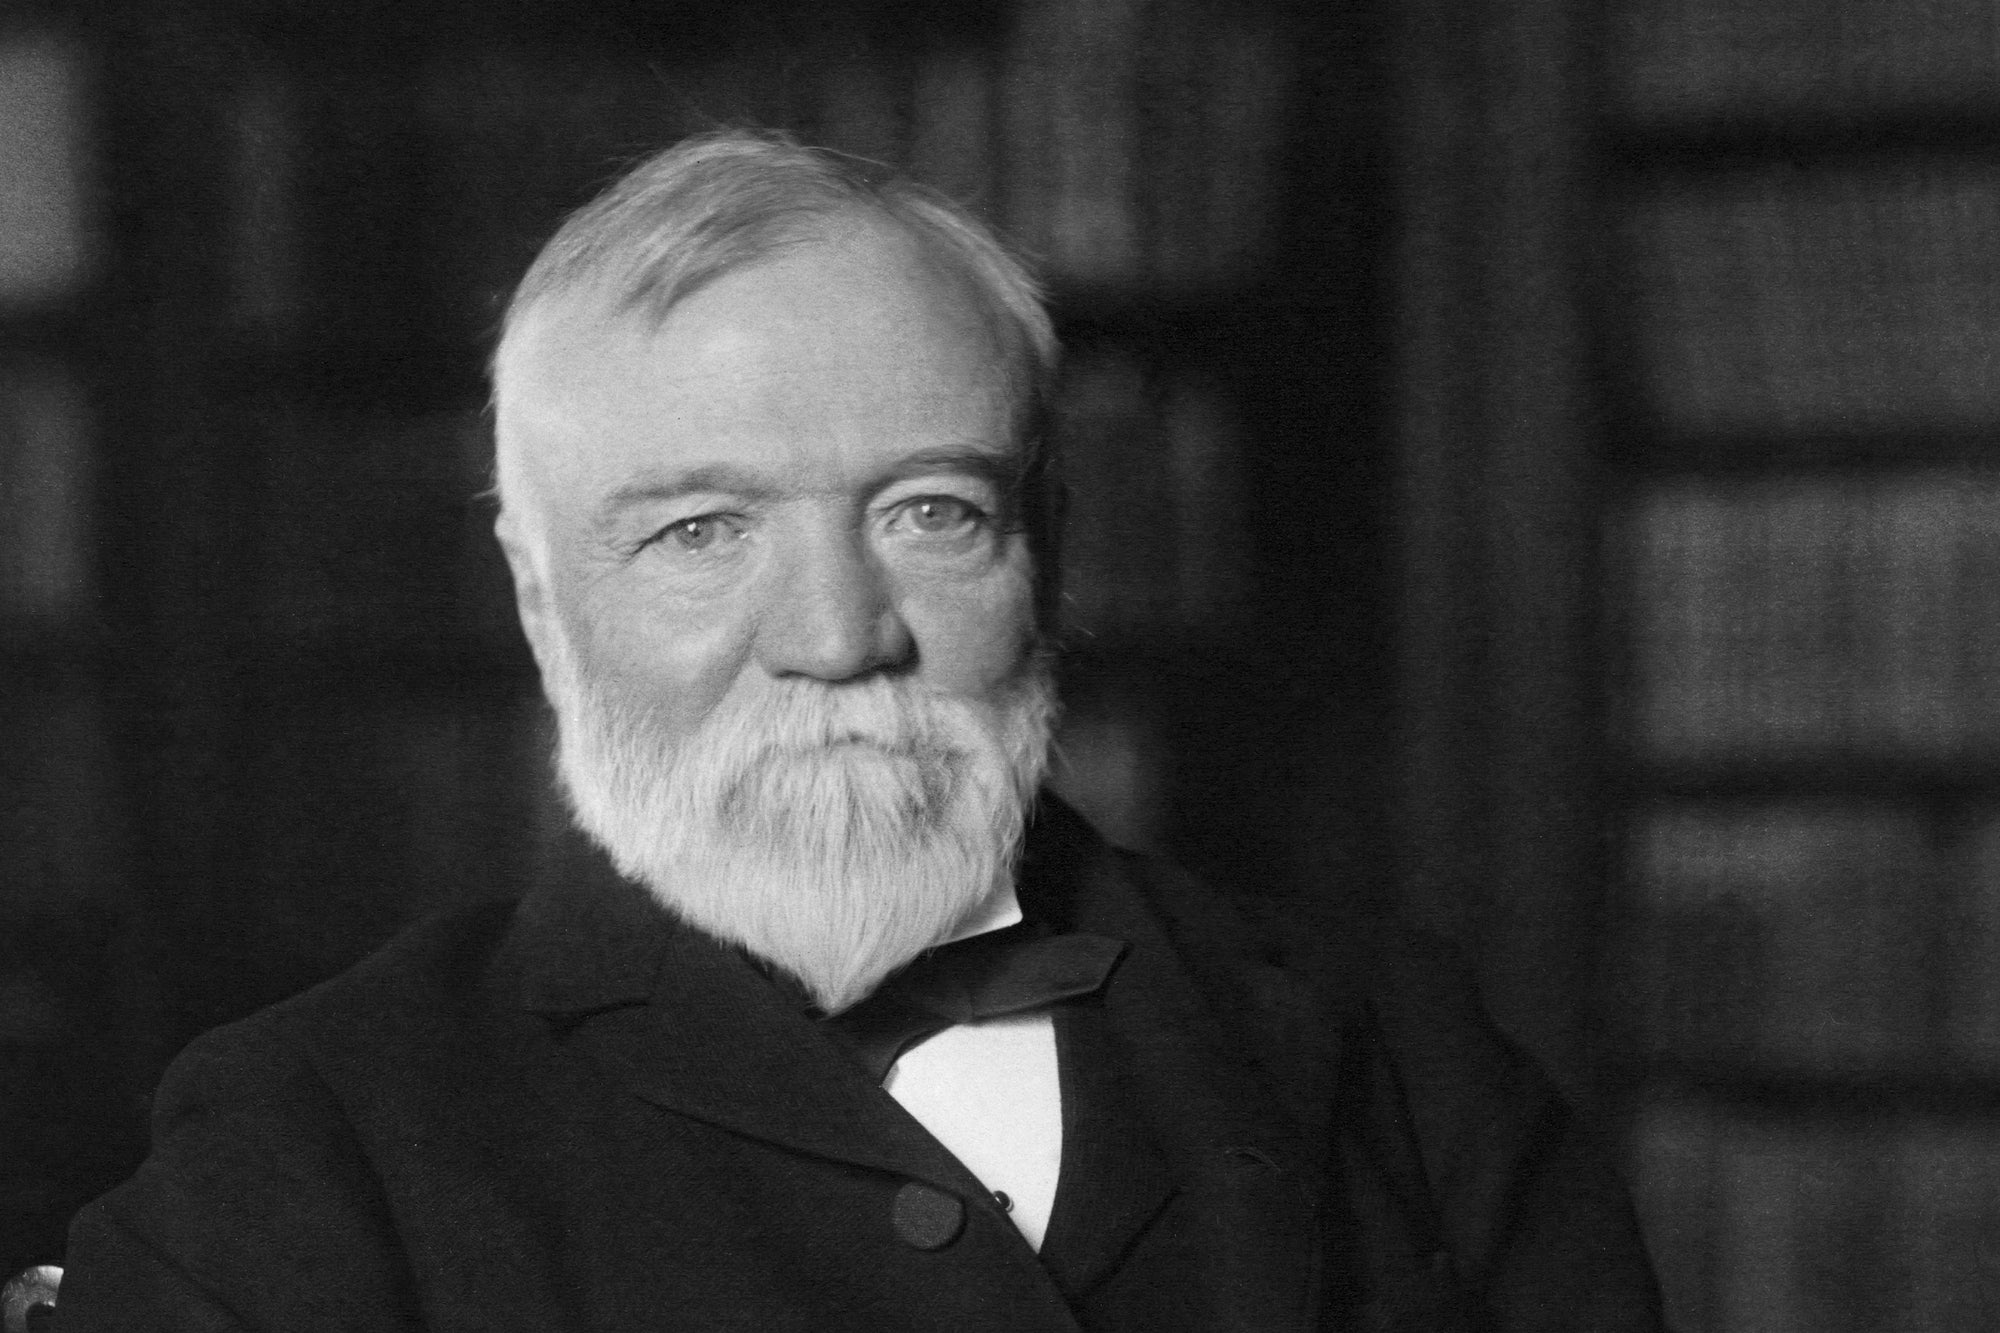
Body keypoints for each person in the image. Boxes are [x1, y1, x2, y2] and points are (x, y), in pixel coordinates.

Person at [54, 131, 1662, 1331]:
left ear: (1047, 553)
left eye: (930, 512)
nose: (838, 637)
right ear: (543, 602)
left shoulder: (1399, 1064)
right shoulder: (312, 1143)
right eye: (700, 531)